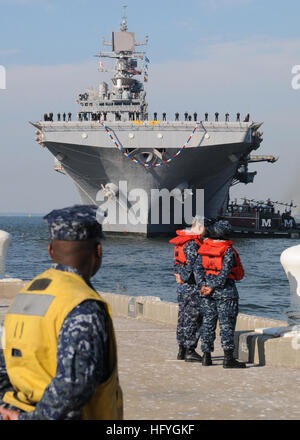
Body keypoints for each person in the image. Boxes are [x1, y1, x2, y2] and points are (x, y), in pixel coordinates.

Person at [0, 205, 123, 420]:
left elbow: (6, 364)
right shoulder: (83, 305)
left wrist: (7, 409)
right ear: (98, 251)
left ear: (50, 250)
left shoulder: (24, 296)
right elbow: (73, 387)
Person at [195, 220, 246, 368]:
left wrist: (203, 285)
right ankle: (228, 359)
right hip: (225, 292)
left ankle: (206, 357)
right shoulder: (228, 250)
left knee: (208, 324)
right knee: (226, 325)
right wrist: (212, 286)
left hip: (206, 293)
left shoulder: (204, 248)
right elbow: (225, 273)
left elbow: (197, 269)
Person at [169, 216, 206, 362]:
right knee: (194, 319)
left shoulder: (182, 242)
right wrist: (186, 279)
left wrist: (178, 277)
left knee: (183, 318)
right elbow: (192, 266)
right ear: (200, 227)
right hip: (191, 288)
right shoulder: (193, 244)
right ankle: (190, 350)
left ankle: (182, 350)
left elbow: (177, 262)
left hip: (182, 288)